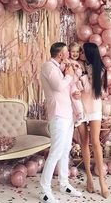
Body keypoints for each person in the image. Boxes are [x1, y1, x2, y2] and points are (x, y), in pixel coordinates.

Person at [40, 42, 82, 203]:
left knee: (65, 151)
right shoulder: (48, 67)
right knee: (55, 152)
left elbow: (68, 85)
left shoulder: (61, 68)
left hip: (68, 114)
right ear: (60, 54)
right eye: (66, 52)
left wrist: (75, 90)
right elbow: (58, 86)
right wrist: (69, 75)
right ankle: (45, 190)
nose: (69, 54)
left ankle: (64, 184)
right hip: (58, 115)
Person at [76, 42, 109, 198]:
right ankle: (89, 177)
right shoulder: (77, 66)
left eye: (83, 51)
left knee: (95, 143)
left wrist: (84, 77)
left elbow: (98, 92)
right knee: (84, 142)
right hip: (81, 109)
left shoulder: (100, 70)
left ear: (89, 54)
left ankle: (102, 181)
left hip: (94, 109)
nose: (80, 53)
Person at [68, 42, 85, 126]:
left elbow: (79, 74)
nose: (75, 54)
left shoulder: (77, 63)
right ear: (69, 52)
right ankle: (77, 115)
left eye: (77, 52)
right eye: (73, 51)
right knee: (73, 100)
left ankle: (80, 114)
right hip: (69, 84)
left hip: (74, 84)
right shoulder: (68, 61)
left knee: (76, 99)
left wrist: (76, 69)